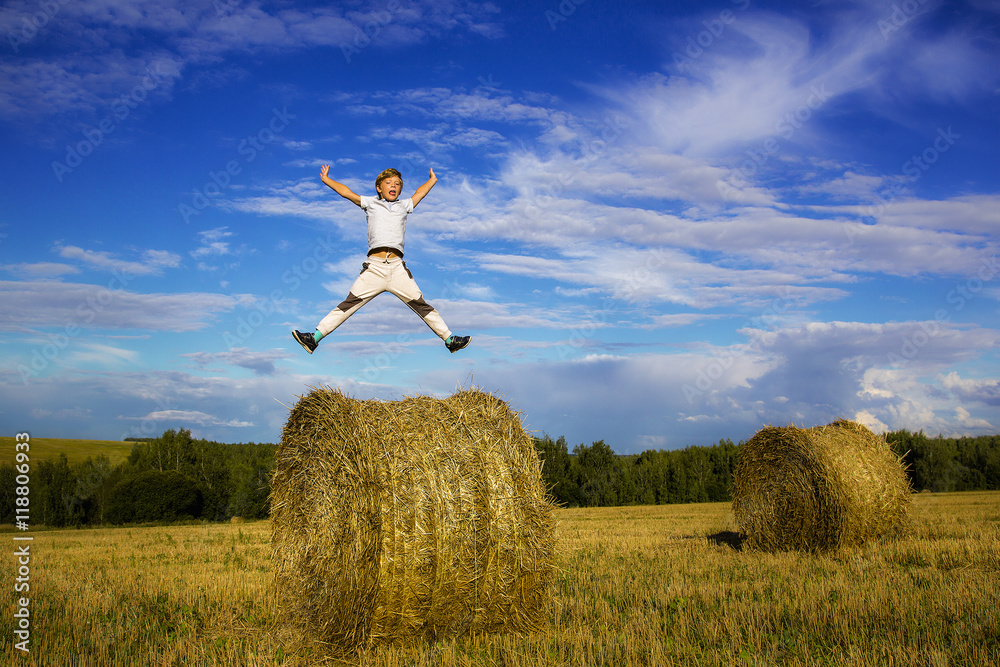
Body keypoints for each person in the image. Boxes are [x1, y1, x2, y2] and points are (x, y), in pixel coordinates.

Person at [292, 165, 471, 355]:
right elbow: (347, 193)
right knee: (349, 303)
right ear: (379, 187)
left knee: (421, 304)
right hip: (374, 268)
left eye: (397, 184)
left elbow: (420, 193)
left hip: (397, 268)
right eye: (389, 183)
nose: (393, 186)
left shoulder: (404, 206)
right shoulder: (370, 203)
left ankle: (450, 340)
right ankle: (314, 338)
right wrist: (327, 180)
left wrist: (432, 181)